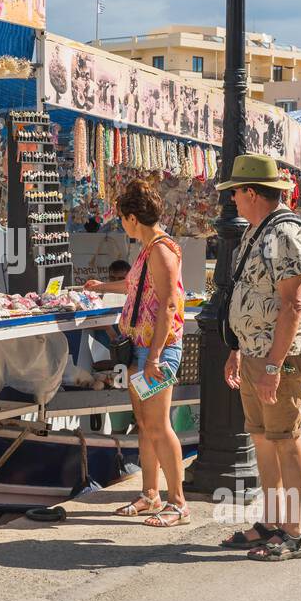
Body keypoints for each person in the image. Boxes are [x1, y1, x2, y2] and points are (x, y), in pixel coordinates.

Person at [215, 154, 301, 561]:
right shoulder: (259, 231)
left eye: (236, 192)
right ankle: (272, 522)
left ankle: (292, 532)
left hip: (281, 358)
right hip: (256, 354)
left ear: (252, 192)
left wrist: (273, 365)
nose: (233, 200)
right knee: (262, 439)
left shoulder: (285, 234)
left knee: (285, 440)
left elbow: (292, 305)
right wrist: (238, 349)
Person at [84, 178, 187, 528]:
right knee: (145, 425)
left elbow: (169, 304)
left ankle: (178, 502)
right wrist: (101, 287)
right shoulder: (147, 248)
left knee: (159, 425)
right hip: (142, 348)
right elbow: (134, 287)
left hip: (157, 351)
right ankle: (150, 493)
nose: (121, 224)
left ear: (132, 217)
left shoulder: (160, 249)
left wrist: (155, 356)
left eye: (121, 218)